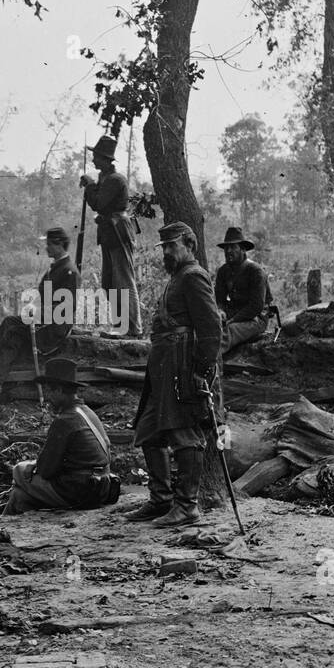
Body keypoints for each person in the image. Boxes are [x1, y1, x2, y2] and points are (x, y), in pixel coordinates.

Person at [126, 221, 223, 527]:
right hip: (164, 366)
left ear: (190, 245)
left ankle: (187, 506)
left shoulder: (193, 276)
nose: (167, 251)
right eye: (164, 246)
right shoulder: (177, 277)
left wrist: (201, 371)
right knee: (149, 429)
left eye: (172, 245)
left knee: (184, 433)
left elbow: (211, 329)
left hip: (184, 367)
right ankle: (161, 500)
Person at [0, 226, 79, 395]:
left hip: (54, 329)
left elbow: (65, 309)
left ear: (60, 245)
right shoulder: (56, 267)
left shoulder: (69, 271)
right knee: (15, 335)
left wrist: (37, 312)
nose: (47, 248)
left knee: (10, 323)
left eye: (50, 244)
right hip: (45, 322)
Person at [5, 357, 114, 514]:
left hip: (80, 491)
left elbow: (46, 470)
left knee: (19, 471)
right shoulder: (88, 412)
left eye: (50, 390)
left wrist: (33, 466)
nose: (48, 396)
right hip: (102, 486)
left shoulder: (65, 420)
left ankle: (1, 529)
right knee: (19, 496)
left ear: (60, 390)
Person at [80, 134, 142, 338]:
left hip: (118, 232)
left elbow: (99, 203)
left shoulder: (115, 180)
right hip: (109, 233)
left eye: (96, 156)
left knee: (123, 280)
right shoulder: (106, 179)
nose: (93, 159)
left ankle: (132, 328)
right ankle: (120, 325)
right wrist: (91, 185)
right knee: (108, 282)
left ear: (104, 158)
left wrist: (89, 186)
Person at [214, 226, 270, 352]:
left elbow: (256, 306)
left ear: (243, 249)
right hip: (232, 313)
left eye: (233, 247)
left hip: (256, 318)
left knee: (230, 330)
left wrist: (233, 320)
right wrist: (221, 311)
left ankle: (210, 361)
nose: (228, 251)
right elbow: (220, 298)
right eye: (226, 248)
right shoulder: (223, 271)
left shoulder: (255, 271)